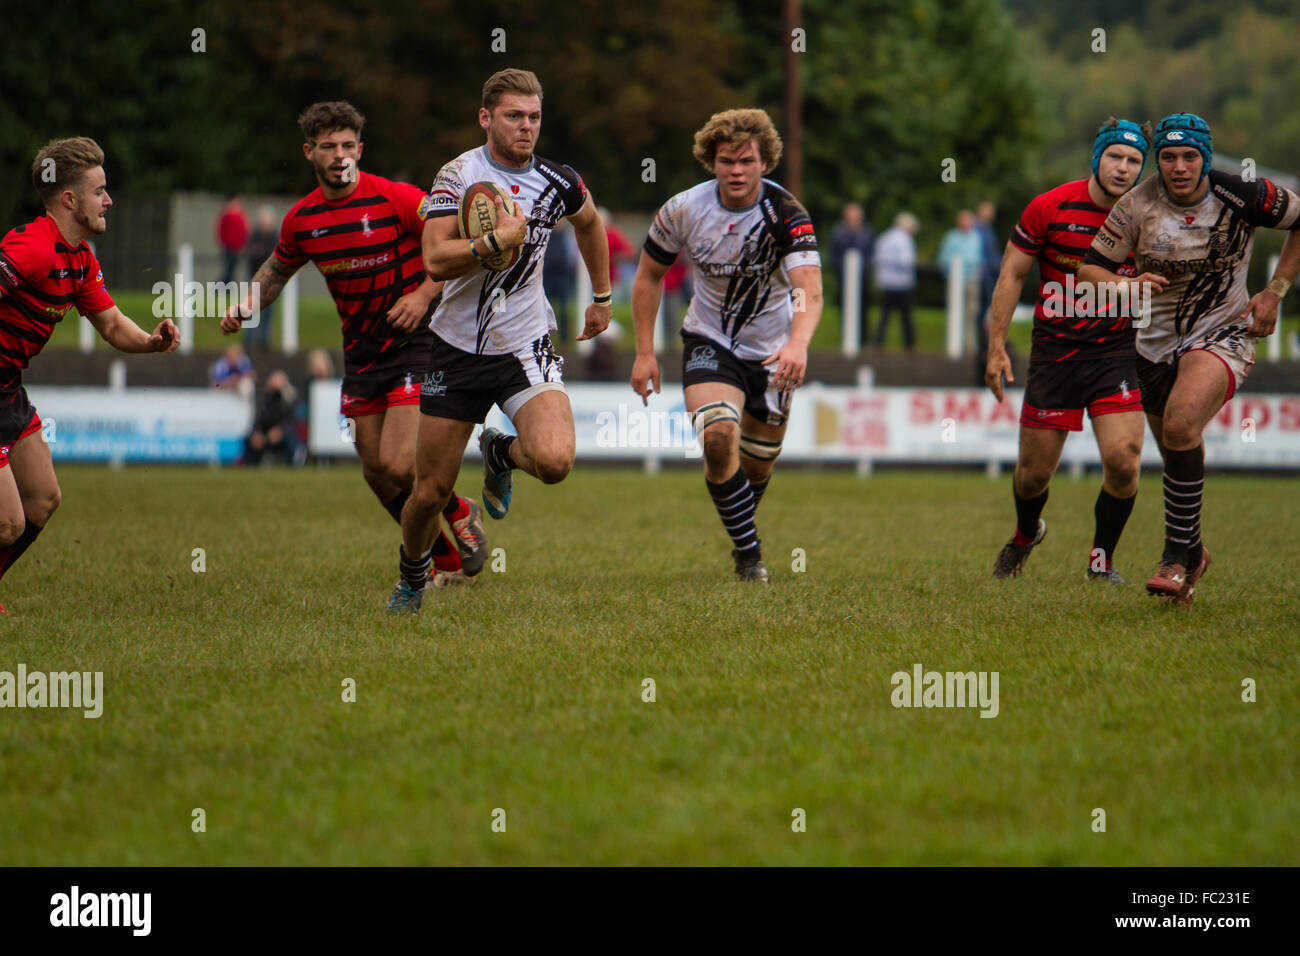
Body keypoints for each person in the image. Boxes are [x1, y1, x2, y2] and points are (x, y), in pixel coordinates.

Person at [220, 100, 485, 587]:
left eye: (347, 145)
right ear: (309, 153)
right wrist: (246, 303)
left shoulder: (397, 199)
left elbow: (455, 249)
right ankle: (445, 559)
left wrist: (424, 296)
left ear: (360, 149)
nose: (339, 155)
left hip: (416, 343)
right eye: (328, 147)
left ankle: (459, 507)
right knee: (377, 474)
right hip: (362, 355)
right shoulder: (303, 220)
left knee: (399, 462)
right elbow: (277, 270)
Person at [386, 68, 612, 613]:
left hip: (525, 344)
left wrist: (602, 296)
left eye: (534, 117)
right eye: (514, 116)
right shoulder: (457, 175)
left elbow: (590, 223)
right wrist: (495, 240)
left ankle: (499, 452)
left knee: (555, 461)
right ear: (486, 117)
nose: (526, 127)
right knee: (429, 493)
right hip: (456, 349)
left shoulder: (559, 181)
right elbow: (435, 258)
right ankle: (412, 578)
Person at [1079, 113, 1300, 606]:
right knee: (1178, 444)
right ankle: (1194, 550)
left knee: (1180, 424)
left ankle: (1175, 557)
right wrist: (1126, 285)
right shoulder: (1137, 204)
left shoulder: (1243, 194)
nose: (1179, 167)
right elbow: (1090, 268)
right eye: (1169, 157)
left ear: (1205, 157)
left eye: (1190, 157)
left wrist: (1275, 292)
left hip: (1224, 331)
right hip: (1153, 345)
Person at [630, 108, 822, 584]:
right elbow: (648, 276)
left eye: (746, 160)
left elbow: (808, 287)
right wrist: (644, 351)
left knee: (755, 471)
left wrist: (799, 343)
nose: (736, 170)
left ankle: (741, 538)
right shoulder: (682, 210)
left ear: (765, 162)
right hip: (709, 340)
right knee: (718, 438)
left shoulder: (787, 214)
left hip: (776, 351)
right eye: (725, 161)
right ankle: (750, 556)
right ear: (710, 162)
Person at [0, 137, 180, 613]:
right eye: (100, 191)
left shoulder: (79, 259)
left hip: (7, 391)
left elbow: (112, 324)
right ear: (69, 199)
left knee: (42, 500)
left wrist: (152, 342)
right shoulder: (33, 248)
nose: (109, 200)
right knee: (7, 524)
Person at [985, 118, 1151, 583]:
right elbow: (1011, 276)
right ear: (1097, 158)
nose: (1123, 168)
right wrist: (996, 346)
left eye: (1134, 160)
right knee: (1032, 476)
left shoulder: (1147, 216)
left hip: (1115, 353)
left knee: (1123, 461)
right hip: (1054, 353)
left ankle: (1101, 562)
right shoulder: (1050, 206)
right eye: (1115, 156)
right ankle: (1025, 533)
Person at [937, 209, 987, 366]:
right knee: (955, 311)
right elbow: (943, 259)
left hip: (972, 280)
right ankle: (953, 345)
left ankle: (970, 345)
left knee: (972, 312)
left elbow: (979, 258)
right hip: (956, 280)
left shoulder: (975, 237)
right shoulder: (951, 237)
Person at [872, 212, 919, 351]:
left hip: (886, 282)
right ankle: (910, 344)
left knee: (884, 315)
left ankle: (879, 342)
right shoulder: (905, 239)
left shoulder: (885, 236)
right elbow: (907, 261)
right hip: (902, 283)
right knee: (906, 316)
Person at [830, 202, 873, 345]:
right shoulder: (838, 233)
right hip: (844, 278)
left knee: (863, 309)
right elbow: (834, 255)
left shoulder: (867, 232)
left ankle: (863, 339)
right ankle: (847, 337)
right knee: (844, 308)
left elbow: (871, 254)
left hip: (863, 278)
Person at [243, 370, 300, 466]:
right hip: (266, 434)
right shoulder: (263, 399)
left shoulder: (289, 399)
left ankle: (292, 464)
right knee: (248, 440)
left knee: (291, 441)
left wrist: (280, 431)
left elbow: (291, 420)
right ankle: (252, 466)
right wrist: (257, 433)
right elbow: (258, 419)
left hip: (282, 433)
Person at [243, 205, 278, 350]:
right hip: (254, 277)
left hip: (270, 279)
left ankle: (263, 340)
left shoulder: (275, 237)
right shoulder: (254, 235)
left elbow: (272, 256)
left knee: (268, 310)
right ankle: (249, 340)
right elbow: (253, 254)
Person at [542, 218, 576, 341]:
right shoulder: (545, 235)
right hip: (547, 277)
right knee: (544, 308)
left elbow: (571, 256)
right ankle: (544, 335)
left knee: (563, 310)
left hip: (561, 277)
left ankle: (564, 338)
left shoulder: (566, 236)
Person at [216, 195, 248, 286]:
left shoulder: (240, 215)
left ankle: (225, 288)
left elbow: (243, 232)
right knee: (229, 269)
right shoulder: (227, 215)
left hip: (236, 248)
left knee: (231, 269)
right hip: (229, 247)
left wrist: (242, 245)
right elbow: (222, 231)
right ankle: (221, 287)